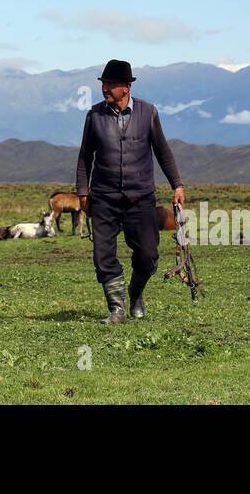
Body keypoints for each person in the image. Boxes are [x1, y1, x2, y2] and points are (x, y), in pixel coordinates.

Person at [75, 59, 186, 324]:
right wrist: (82, 192)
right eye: (103, 84)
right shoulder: (94, 116)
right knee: (103, 255)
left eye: (110, 84)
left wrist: (177, 184)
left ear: (126, 87)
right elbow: (84, 156)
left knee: (148, 255)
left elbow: (162, 151)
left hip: (141, 198)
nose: (105, 89)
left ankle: (136, 293)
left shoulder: (148, 113)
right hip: (103, 197)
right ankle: (117, 310)